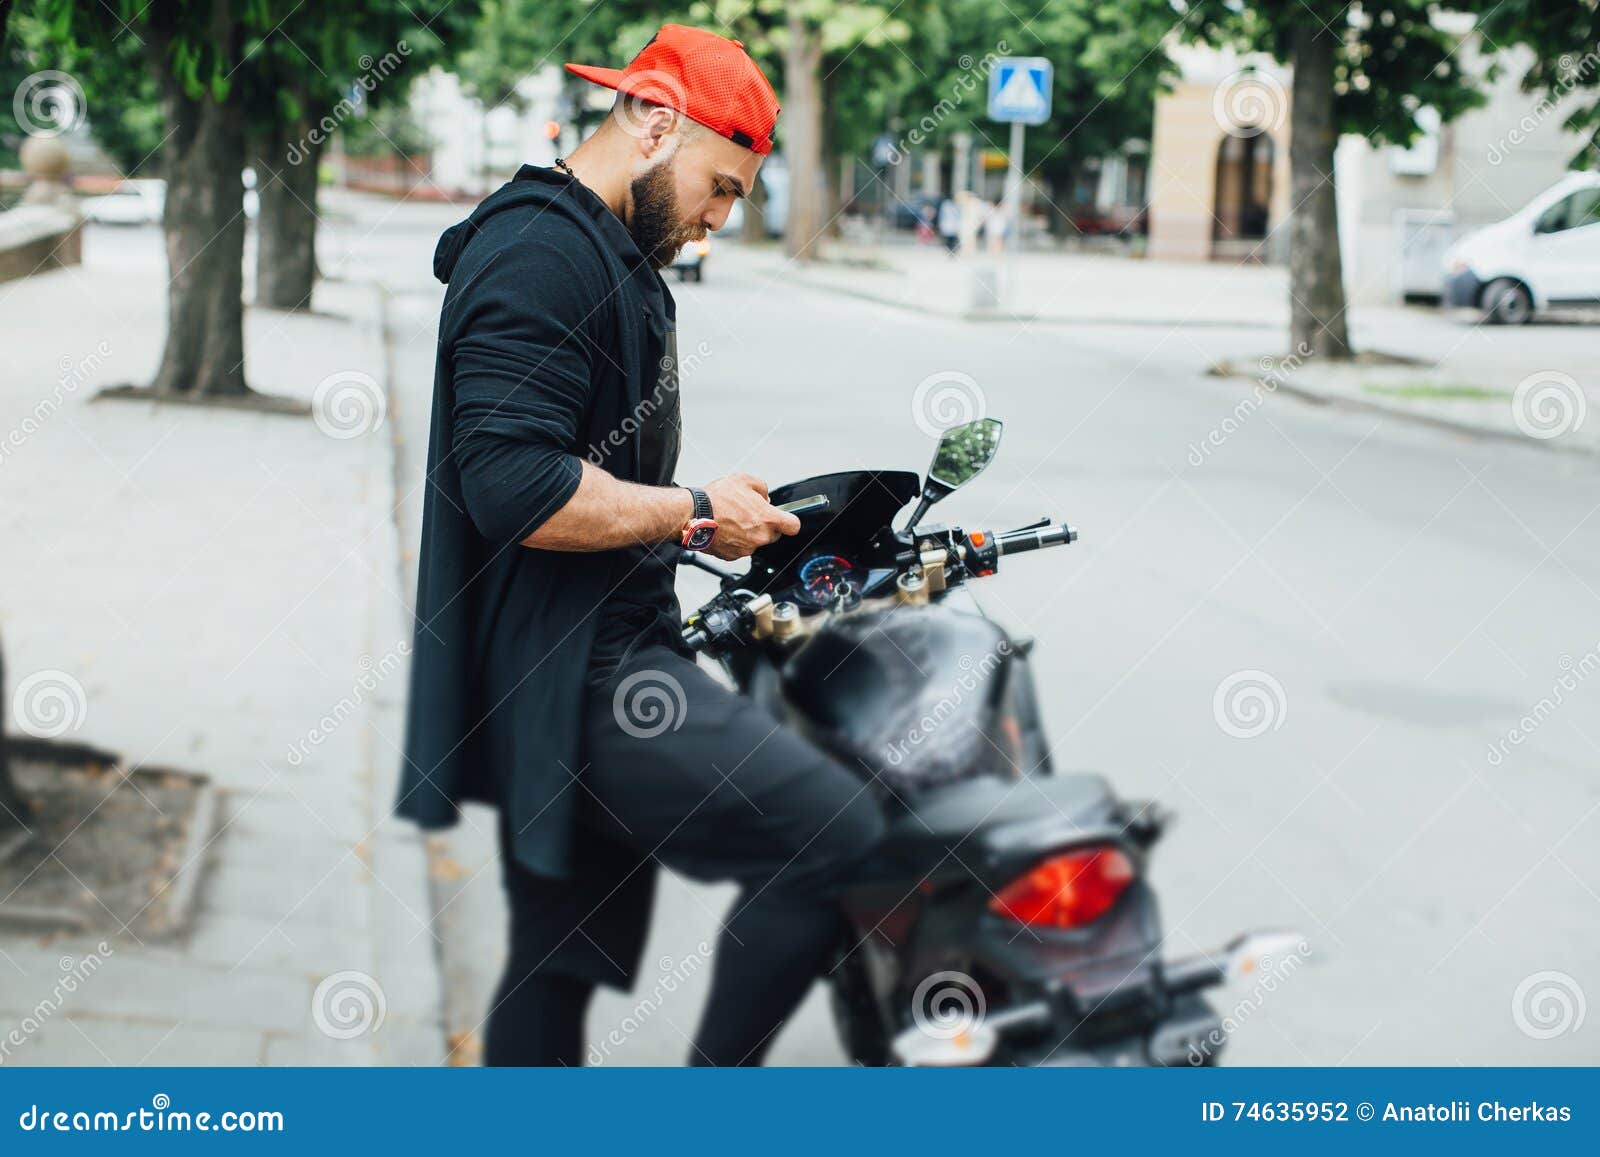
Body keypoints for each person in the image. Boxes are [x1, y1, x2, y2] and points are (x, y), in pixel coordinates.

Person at [396, 24, 885, 1067]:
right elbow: (515, 487)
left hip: (586, 654)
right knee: (834, 830)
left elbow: (593, 467)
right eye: (720, 187)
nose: (715, 219)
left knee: (557, 958)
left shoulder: (599, 249)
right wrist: (692, 506)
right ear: (657, 120)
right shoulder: (539, 254)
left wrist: (707, 510)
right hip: (584, 676)